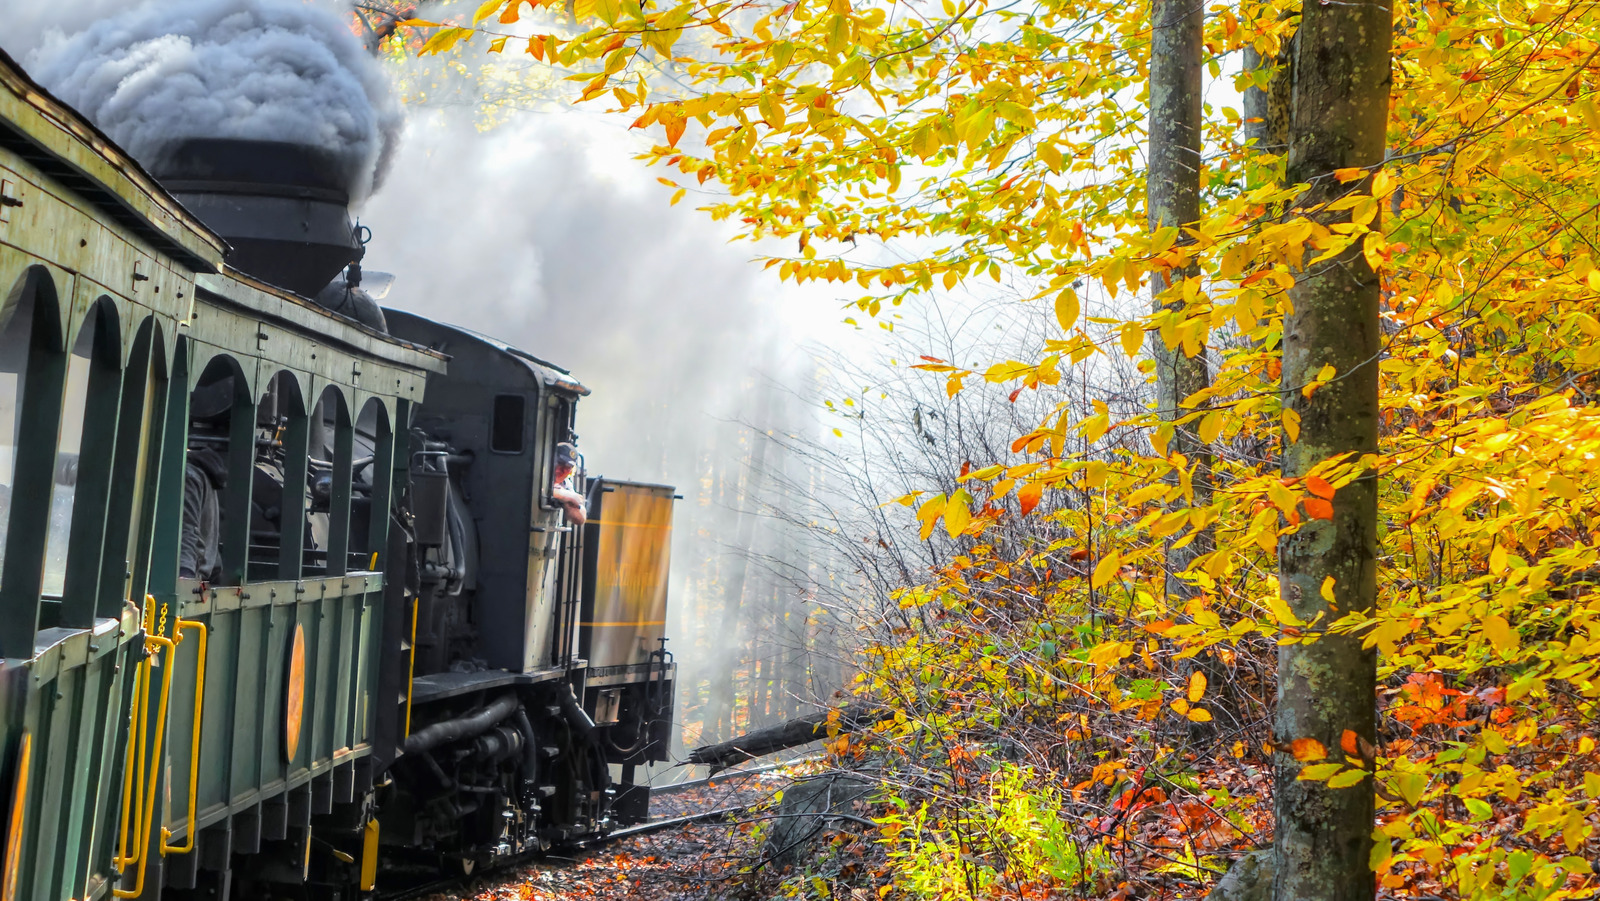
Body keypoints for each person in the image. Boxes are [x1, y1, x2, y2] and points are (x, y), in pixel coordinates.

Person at [551, 441, 586, 525]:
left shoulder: (566, 483)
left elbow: (580, 519)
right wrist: (565, 495)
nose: (563, 470)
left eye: (568, 467)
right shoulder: (541, 474)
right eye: (560, 463)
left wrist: (571, 504)